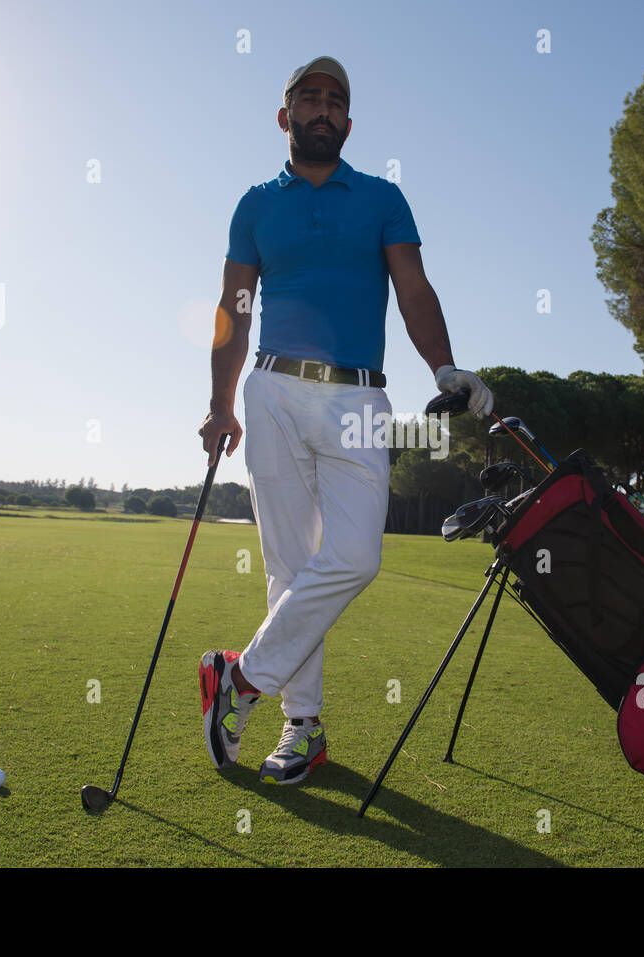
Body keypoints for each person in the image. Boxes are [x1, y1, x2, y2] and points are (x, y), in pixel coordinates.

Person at [197, 56, 492, 784]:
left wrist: (445, 365)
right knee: (290, 567)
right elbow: (233, 310)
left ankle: (238, 679)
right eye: (308, 98)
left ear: (349, 123)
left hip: (359, 396)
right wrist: (219, 404)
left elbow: (414, 287)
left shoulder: (383, 197)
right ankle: (303, 728)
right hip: (272, 388)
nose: (322, 109)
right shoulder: (255, 204)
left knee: (356, 555)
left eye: (335, 101)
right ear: (284, 115)